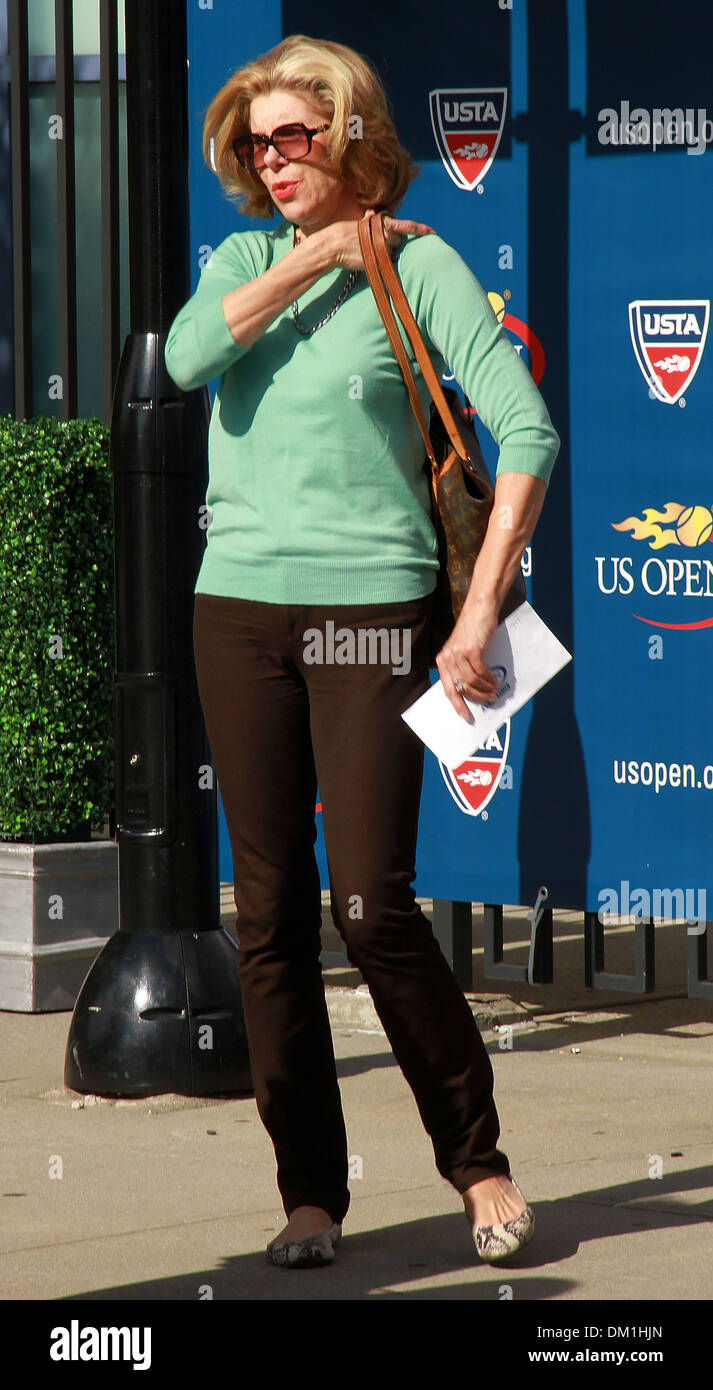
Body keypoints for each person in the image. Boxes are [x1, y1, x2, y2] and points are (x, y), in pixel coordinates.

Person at [165, 33, 560, 1270]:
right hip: (234, 609)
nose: (275, 160)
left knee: (370, 902)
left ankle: (478, 1163)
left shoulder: (421, 261)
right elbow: (182, 359)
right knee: (269, 914)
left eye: (298, 136)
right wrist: (313, 257)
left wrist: (481, 609)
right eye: (257, 141)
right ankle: (310, 1197)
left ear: (350, 139)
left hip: (371, 613)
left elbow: (524, 428)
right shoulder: (242, 257)